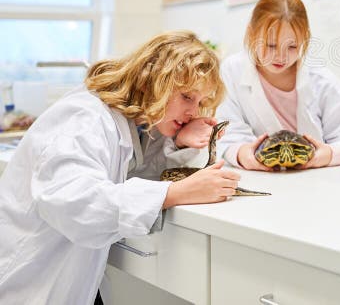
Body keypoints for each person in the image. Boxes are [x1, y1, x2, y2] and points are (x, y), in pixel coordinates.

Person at [0, 31, 240, 304]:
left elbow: (133, 170)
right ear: (154, 80)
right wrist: (173, 193)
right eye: (187, 97)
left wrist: (179, 141)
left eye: (200, 103)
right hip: (28, 284)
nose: (195, 112)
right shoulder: (85, 118)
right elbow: (75, 203)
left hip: (73, 277)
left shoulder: (134, 124)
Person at [216, 0, 340, 170]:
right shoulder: (232, 71)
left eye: (292, 46)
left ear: (304, 39)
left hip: (316, 179)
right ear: (252, 34)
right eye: (271, 45)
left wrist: (328, 154)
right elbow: (227, 132)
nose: (281, 57)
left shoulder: (320, 80)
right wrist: (242, 153)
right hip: (260, 179)